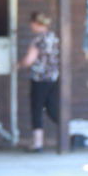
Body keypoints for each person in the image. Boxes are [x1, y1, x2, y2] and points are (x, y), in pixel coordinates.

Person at [18, 11, 60, 151]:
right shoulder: (53, 38)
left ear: (36, 23)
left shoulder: (37, 40)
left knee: (36, 109)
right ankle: (70, 134)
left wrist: (18, 65)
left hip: (39, 79)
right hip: (53, 78)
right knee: (53, 109)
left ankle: (38, 143)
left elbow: (29, 60)